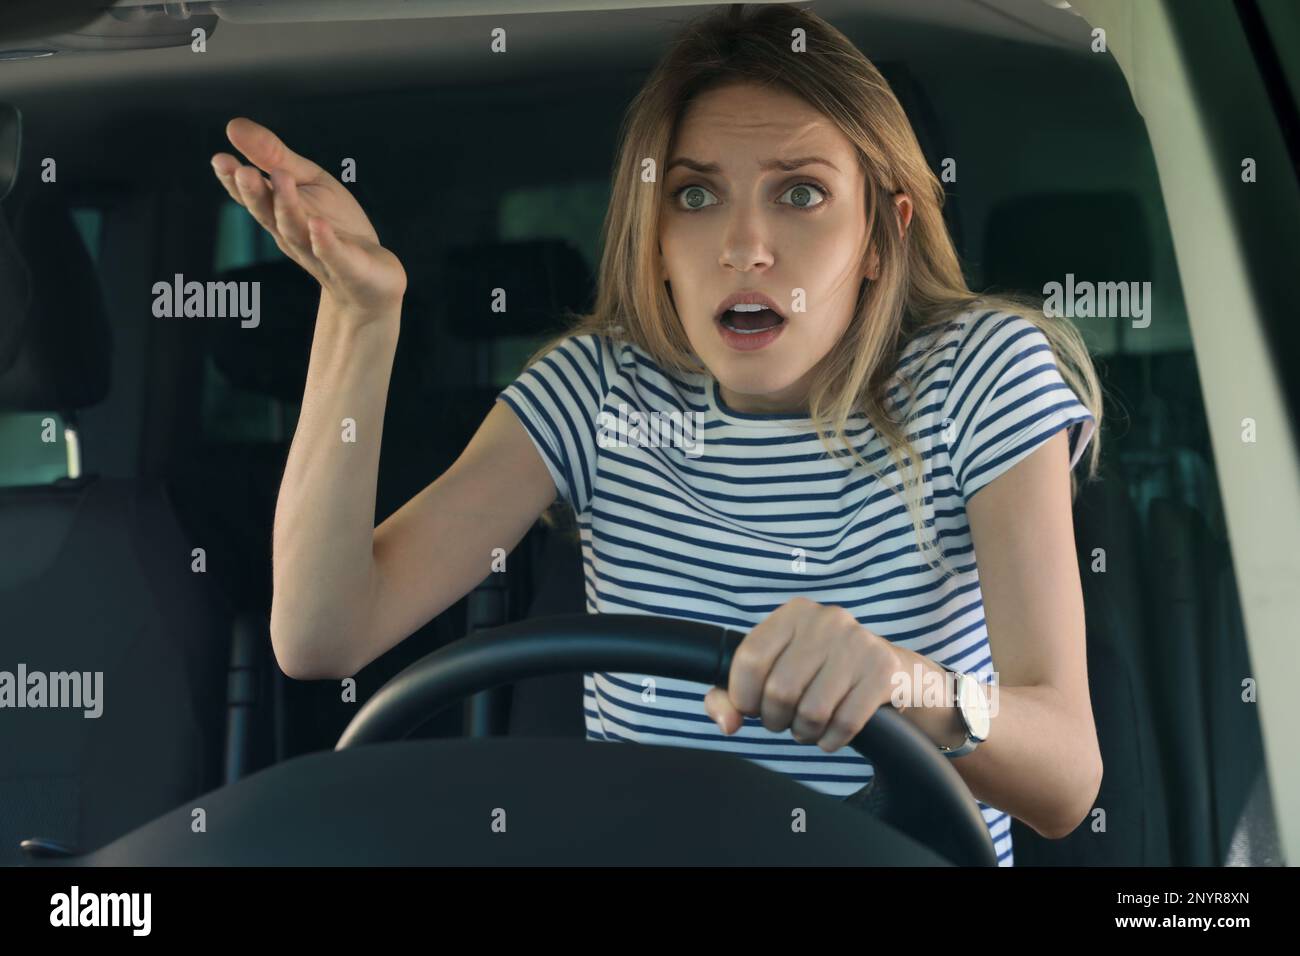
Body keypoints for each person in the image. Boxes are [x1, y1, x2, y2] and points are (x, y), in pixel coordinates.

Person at [209, 3, 1104, 866]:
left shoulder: (981, 372)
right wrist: (361, 314)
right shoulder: (598, 388)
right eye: (697, 195)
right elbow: (322, 634)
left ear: (882, 233)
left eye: (800, 193)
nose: (744, 246)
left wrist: (902, 684)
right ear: (658, 238)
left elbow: (1066, 778)